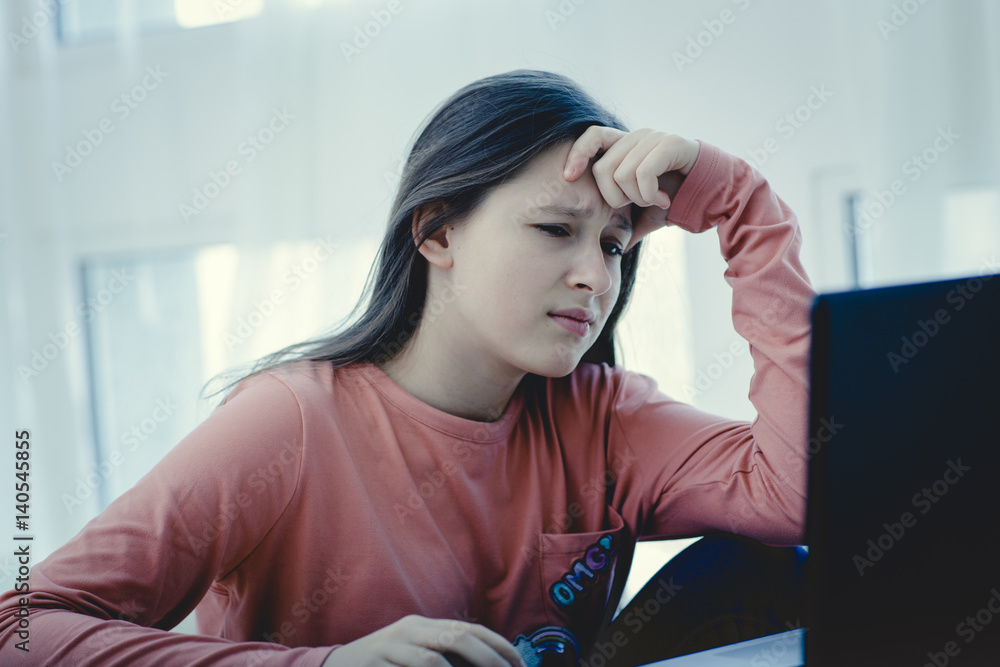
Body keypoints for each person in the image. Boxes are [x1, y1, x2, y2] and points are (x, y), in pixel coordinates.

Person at [0, 69, 816, 666]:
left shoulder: (605, 416)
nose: (597, 277)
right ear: (437, 234)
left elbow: (801, 494)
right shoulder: (289, 421)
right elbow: (22, 629)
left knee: (775, 564)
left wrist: (741, 204)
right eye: (552, 230)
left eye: (612, 244)